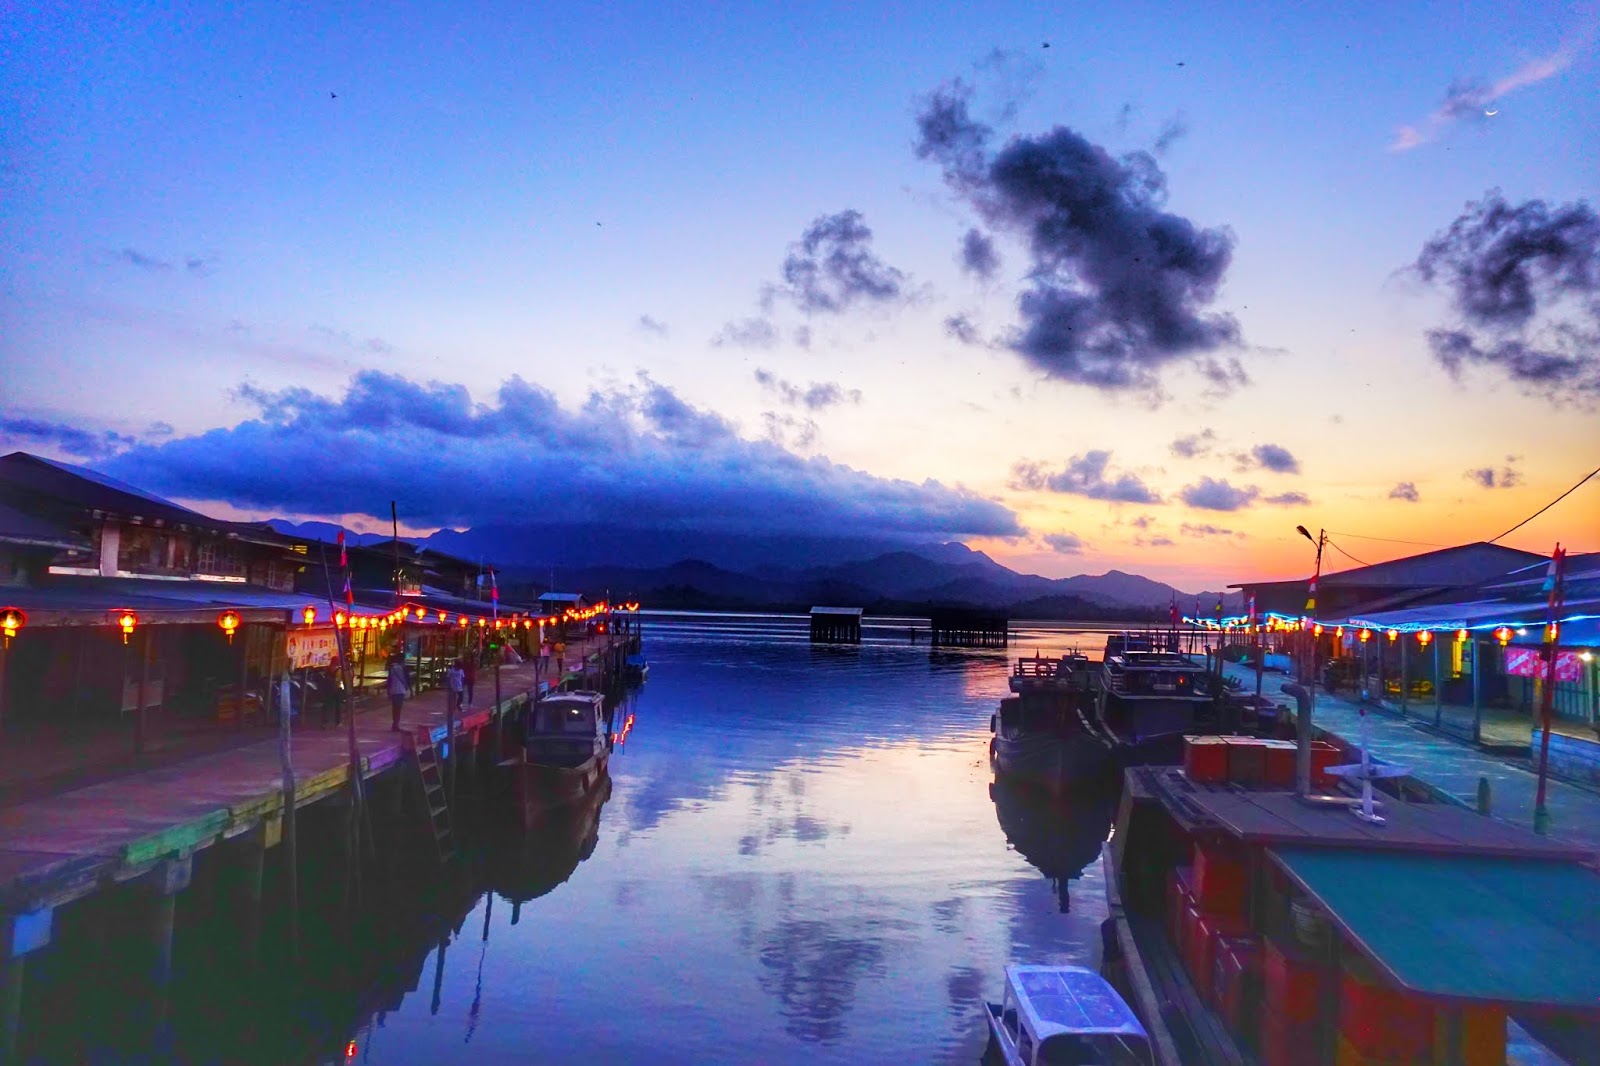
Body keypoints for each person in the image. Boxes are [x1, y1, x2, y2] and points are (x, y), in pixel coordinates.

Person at [387, 655, 411, 730]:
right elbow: (408, 680)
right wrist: (410, 690)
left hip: (393, 690)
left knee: (394, 708)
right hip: (401, 690)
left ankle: (394, 723)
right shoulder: (404, 669)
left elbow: (389, 681)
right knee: (398, 708)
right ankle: (396, 724)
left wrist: (388, 691)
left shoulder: (392, 668)